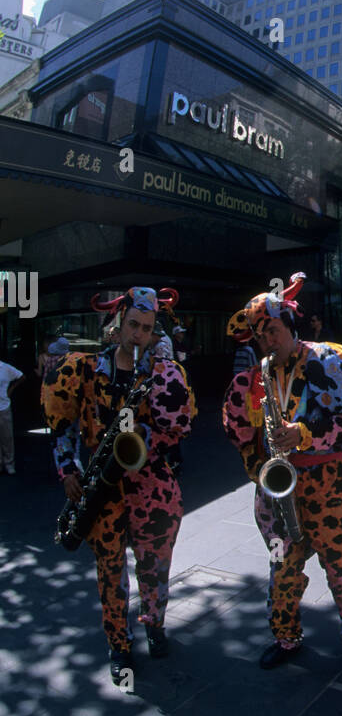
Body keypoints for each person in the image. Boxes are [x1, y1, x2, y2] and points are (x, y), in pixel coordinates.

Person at [41, 287, 194, 684]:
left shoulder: (164, 372)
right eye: (133, 325)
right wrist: (68, 469)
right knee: (109, 571)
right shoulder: (85, 368)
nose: (139, 334)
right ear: (119, 322)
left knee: (155, 564)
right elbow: (60, 424)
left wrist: (165, 374)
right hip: (103, 482)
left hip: (152, 482)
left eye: (147, 328)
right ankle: (118, 643)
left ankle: (154, 624)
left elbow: (179, 424)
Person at [223, 280, 342, 674]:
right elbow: (239, 433)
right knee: (281, 571)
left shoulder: (330, 358)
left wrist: (306, 434)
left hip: (330, 485)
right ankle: (286, 638)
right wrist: (260, 471)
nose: (267, 341)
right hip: (278, 492)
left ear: (291, 325)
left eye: (273, 330)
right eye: (260, 336)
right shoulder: (251, 379)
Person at [0, 357, 24, 475]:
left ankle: (9, 463)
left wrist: (10, 390)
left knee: (7, 436)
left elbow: (21, 376)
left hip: (3, 406)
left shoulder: (5, 368)